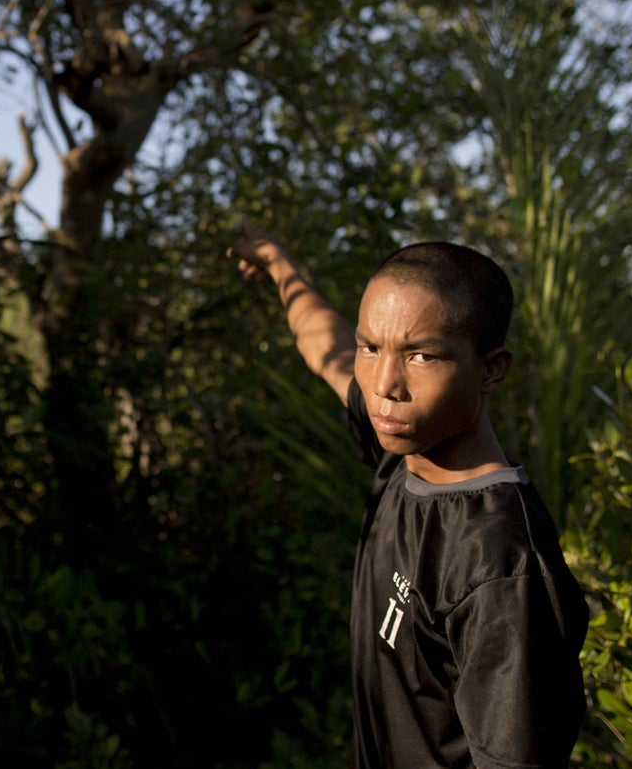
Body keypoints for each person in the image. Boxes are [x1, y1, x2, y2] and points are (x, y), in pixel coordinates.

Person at [228, 216, 589, 769]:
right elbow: (322, 342)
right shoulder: (407, 452)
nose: (384, 386)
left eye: (422, 356)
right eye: (370, 348)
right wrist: (280, 265)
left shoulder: (500, 566)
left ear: (491, 368)